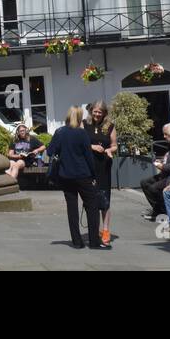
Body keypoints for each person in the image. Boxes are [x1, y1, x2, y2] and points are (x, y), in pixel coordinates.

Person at [47, 105, 109, 250]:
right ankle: (94, 241)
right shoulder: (82, 134)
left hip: (65, 175)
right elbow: (88, 156)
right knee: (92, 207)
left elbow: (50, 151)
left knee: (72, 208)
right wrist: (93, 175)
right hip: (83, 175)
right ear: (80, 117)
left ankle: (76, 241)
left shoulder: (60, 132)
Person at [86, 101, 117, 243]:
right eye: (95, 111)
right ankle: (94, 229)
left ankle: (105, 230)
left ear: (104, 113)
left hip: (104, 166)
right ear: (91, 111)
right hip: (88, 166)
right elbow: (80, 142)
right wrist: (92, 147)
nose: (97, 114)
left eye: (100, 112)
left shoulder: (109, 126)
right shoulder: (84, 124)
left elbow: (114, 145)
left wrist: (110, 150)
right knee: (91, 199)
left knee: (104, 199)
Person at [141, 123, 170, 220]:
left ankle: (164, 211)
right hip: (165, 173)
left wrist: (162, 166)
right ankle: (157, 209)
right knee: (145, 182)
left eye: (166, 134)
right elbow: (169, 161)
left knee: (154, 188)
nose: (164, 136)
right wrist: (161, 162)